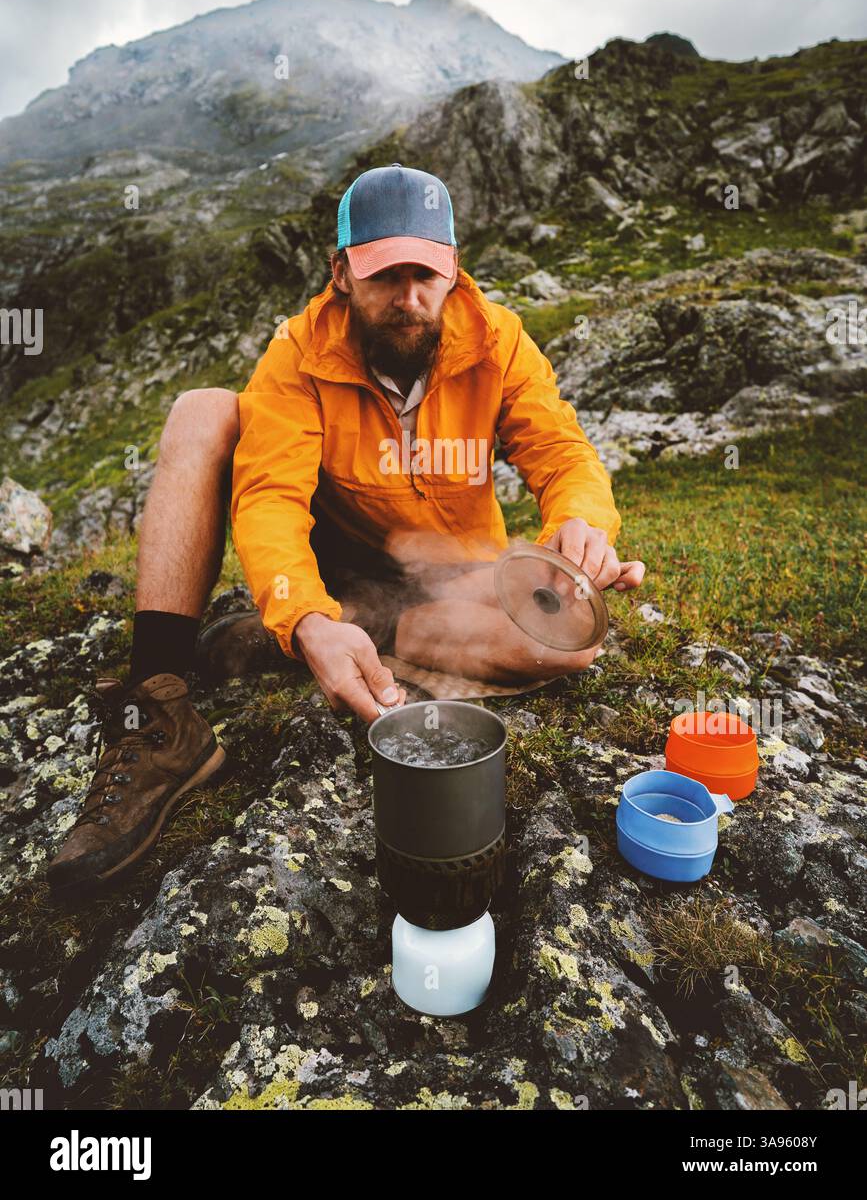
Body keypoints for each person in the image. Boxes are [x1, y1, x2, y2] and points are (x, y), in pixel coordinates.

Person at [47, 163, 644, 893]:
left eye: (425, 274)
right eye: (383, 275)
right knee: (203, 408)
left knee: (569, 645)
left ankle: (321, 634)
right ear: (340, 272)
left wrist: (580, 524)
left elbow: (559, 451)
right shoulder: (298, 353)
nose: (408, 298)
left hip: (445, 576)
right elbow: (267, 497)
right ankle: (161, 701)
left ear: (453, 270)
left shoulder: (499, 342)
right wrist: (304, 611)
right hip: (333, 564)